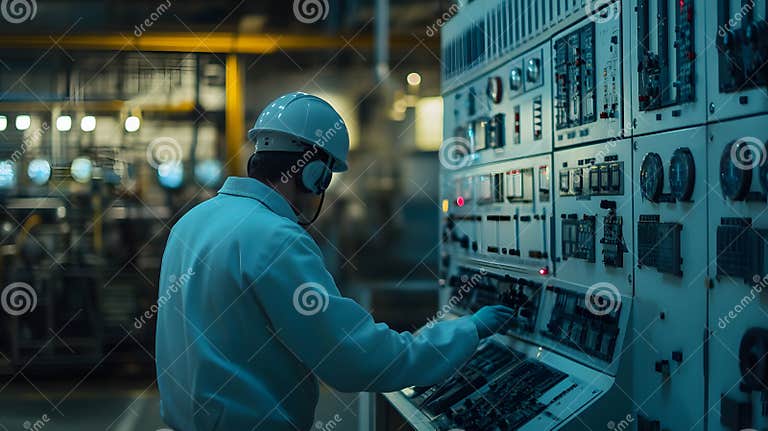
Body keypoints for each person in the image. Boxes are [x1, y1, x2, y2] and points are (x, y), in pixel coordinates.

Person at [155, 92, 516, 431]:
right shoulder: (274, 237)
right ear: (314, 175)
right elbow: (354, 358)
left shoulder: (193, 221)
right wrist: (466, 331)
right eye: (325, 177)